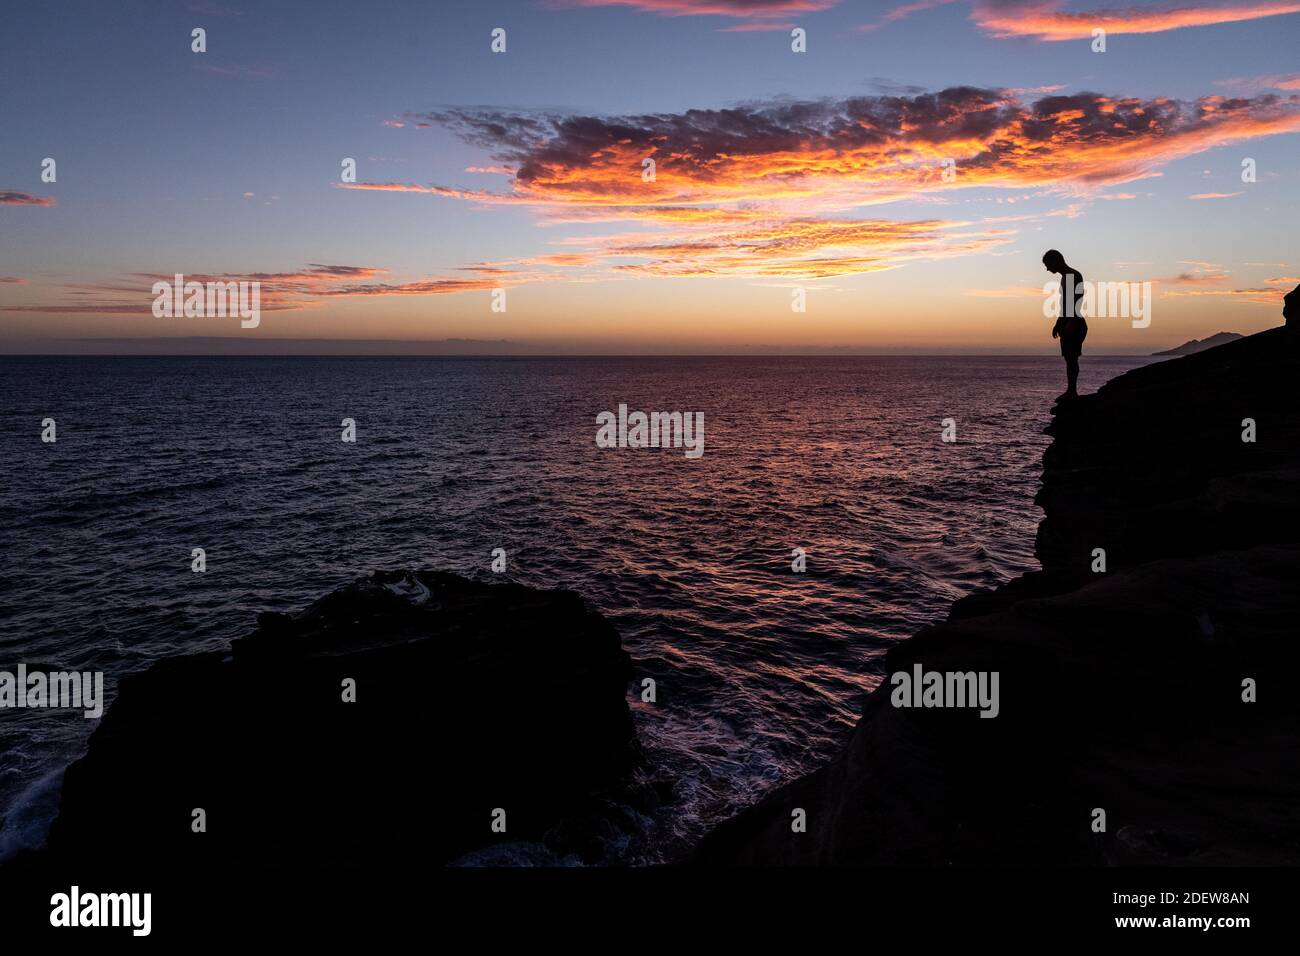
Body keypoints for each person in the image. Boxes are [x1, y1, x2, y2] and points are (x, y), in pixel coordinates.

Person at [1043, 249, 1086, 400]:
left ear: (1056, 261)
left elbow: (1076, 300)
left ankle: (1072, 391)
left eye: (1048, 264)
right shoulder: (1065, 278)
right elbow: (1065, 304)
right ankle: (1070, 390)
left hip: (1074, 322)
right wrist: (1058, 323)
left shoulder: (1072, 275)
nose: (1047, 269)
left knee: (1072, 357)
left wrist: (1071, 323)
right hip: (1068, 321)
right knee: (1069, 358)